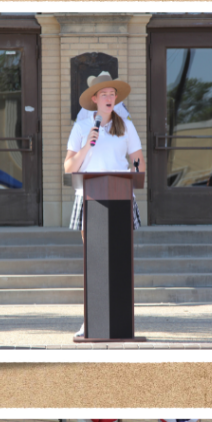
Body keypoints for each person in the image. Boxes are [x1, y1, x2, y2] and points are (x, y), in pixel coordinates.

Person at [64, 71, 145, 338]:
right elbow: (69, 166)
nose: (110, 98)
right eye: (105, 94)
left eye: (113, 94)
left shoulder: (126, 126)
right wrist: (88, 144)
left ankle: (121, 323)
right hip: (89, 199)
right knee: (95, 261)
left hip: (121, 196)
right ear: (95, 99)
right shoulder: (82, 127)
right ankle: (91, 321)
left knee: (120, 260)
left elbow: (137, 160)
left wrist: (135, 173)